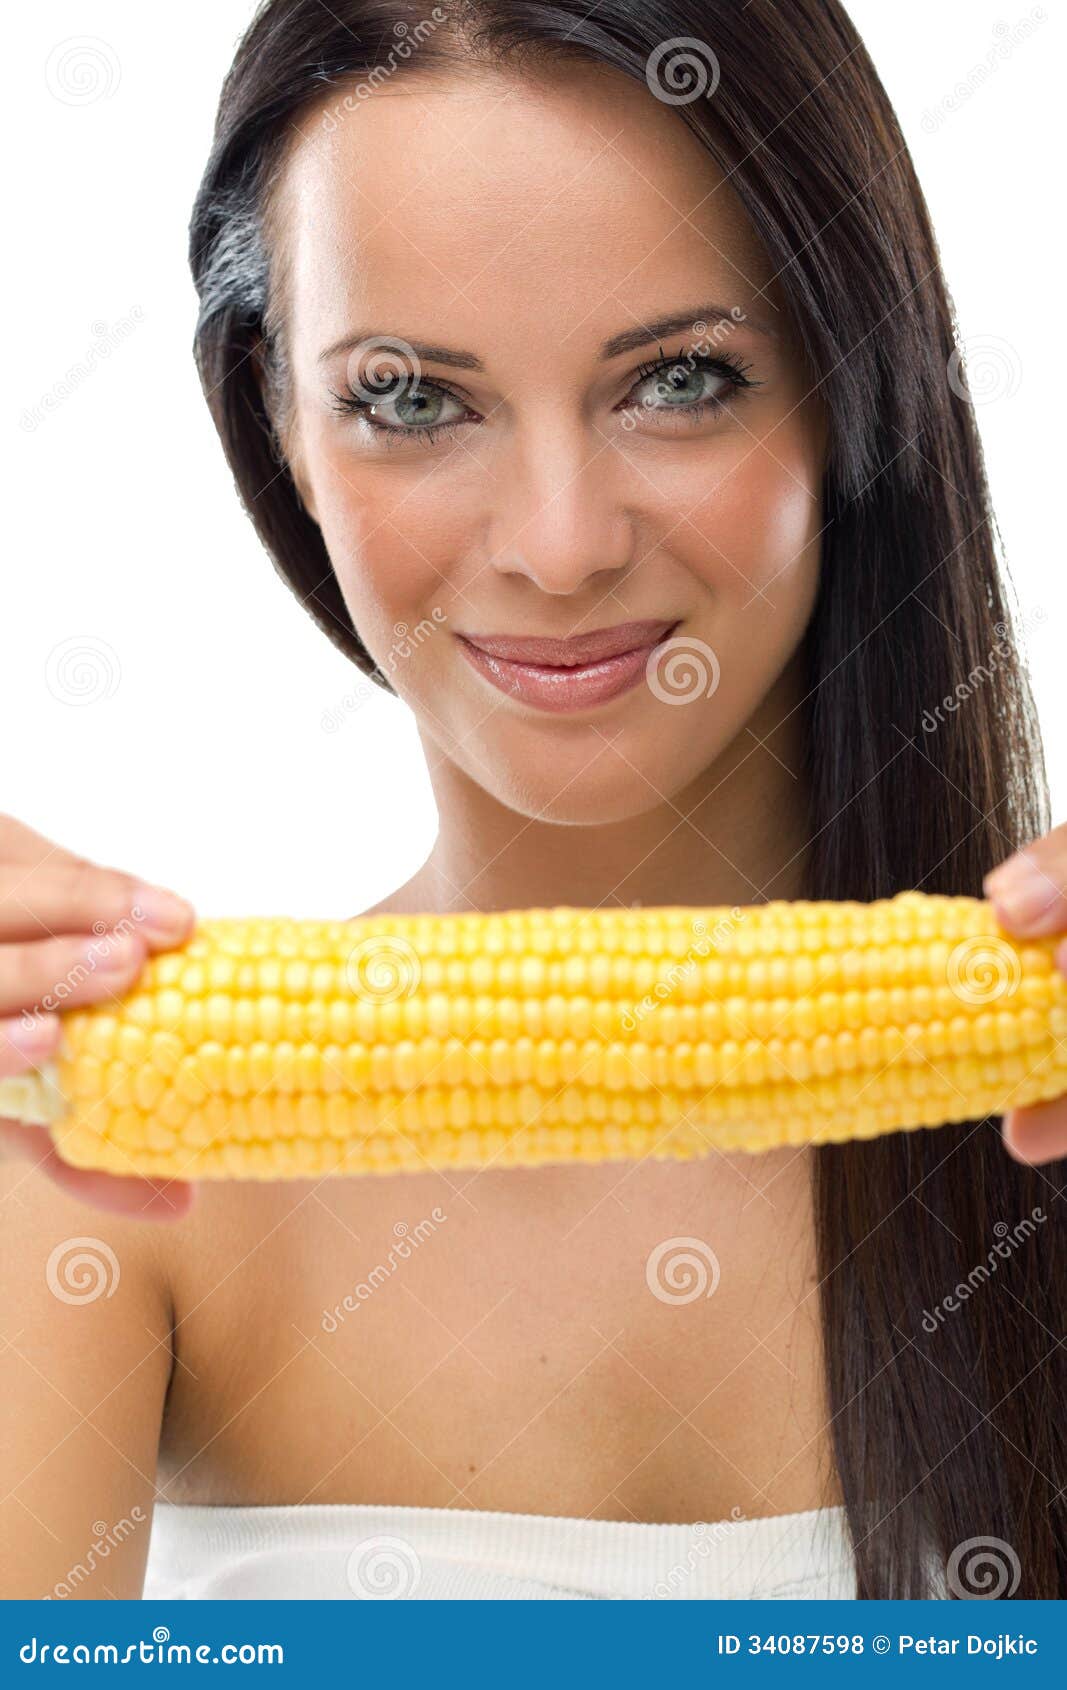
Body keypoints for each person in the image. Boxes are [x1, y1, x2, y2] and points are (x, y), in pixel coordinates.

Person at [2, 0, 1065, 1602]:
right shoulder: (87, 1176)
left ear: (858, 393)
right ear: (276, 425)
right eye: (414, 399)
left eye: (684, 377)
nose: (560, 544)